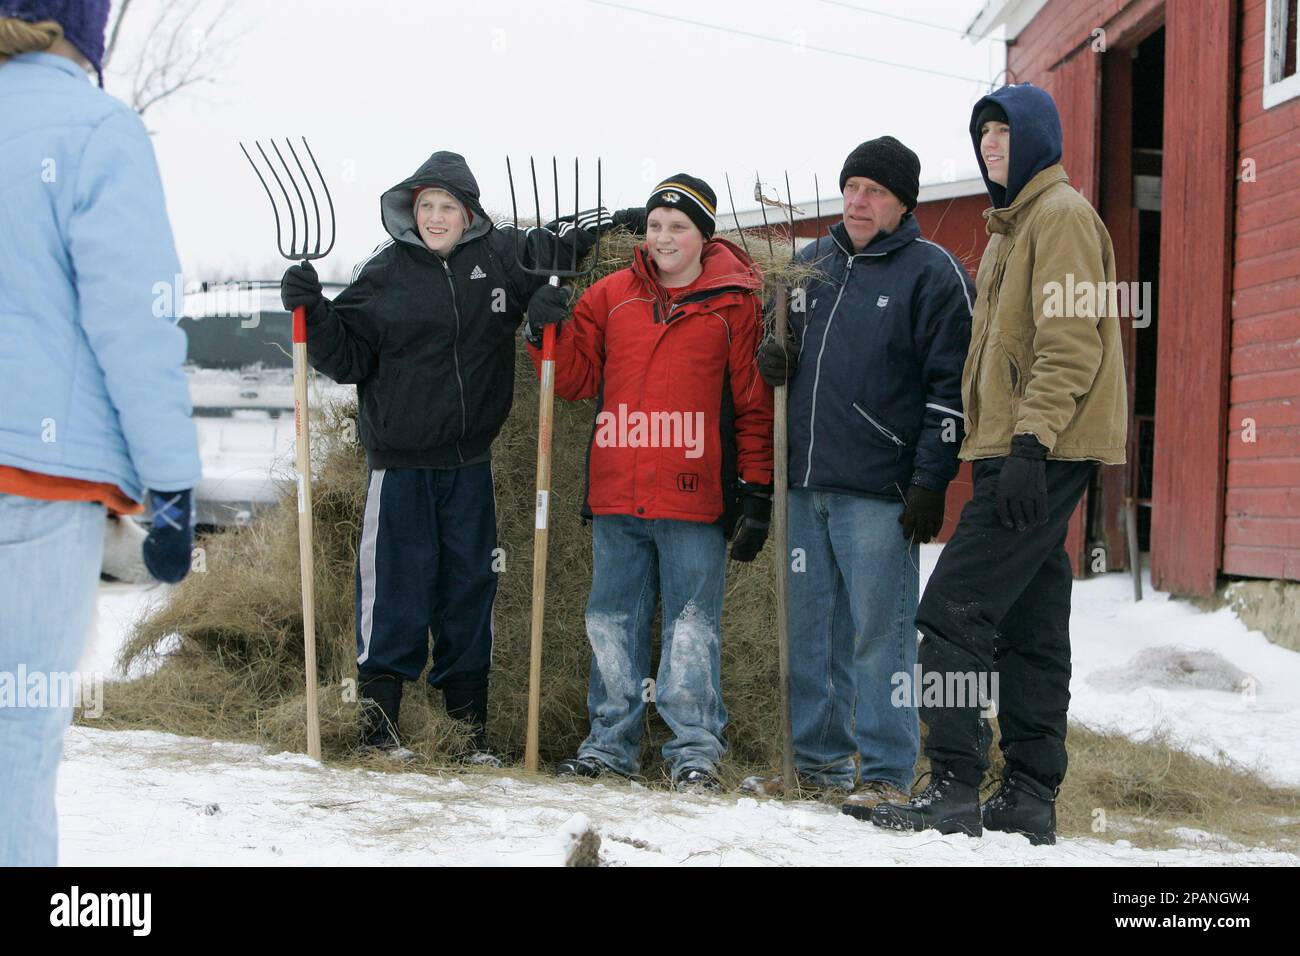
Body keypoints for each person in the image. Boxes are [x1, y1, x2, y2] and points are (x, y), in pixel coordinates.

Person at [281, 150, 638, 762]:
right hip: (399, 469)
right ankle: (378, 732)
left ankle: (466, 735)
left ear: (469, 214)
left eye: (448, 206)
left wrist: (603, 241)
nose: (436, 217)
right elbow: (347, 359)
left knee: (470, 591)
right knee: (394, 591)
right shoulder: (384, 276)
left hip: (470, 465)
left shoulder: (500, 258)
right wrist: (312, 311)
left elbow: (552, 253)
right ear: (410, 211)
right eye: (426, 206)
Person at [869, 84, 1127, 844]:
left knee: (953, 610)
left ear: (1039, 140)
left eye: (1004, 135)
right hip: (1013, 450)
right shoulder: (1014, 227)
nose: (989, 148)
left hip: (1037, 453)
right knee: (1030, 625)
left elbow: (1070, 341)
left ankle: (952, 783)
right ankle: (1028, 793)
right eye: (982, 136)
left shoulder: (1062, 218)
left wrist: (1030, 444)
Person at [0, 1, 201, 866]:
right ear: (87, 29)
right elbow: (134, 321)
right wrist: (171, 483)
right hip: (33, 487)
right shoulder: (95, 129)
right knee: (17, 730)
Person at [524, 174, 774, 790]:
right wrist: (542, 330)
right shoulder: (612, 296)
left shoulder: (735, 303)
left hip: (694, 495)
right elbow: (575, 379)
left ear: (703, 236)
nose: (664, 238)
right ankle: (609, 744)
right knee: (610, 620)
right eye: (656, 225)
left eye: (678, 227)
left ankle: (694, 750)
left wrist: (757, 487)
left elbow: (752, 401)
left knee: (693, 627)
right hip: (617, 491)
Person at [754, 137, 973, 810]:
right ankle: (819, 766)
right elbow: (777, 346)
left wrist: (931, 479)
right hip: (806, 480)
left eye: (874, 190)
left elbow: (952, 387)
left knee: (878, 632)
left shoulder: (932, 274)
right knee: (812, 628)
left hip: (880, 490)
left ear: (902, 201)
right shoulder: (807, 266)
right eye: (851, 186)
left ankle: (885, 773)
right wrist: (773, 355)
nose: (858, 200)